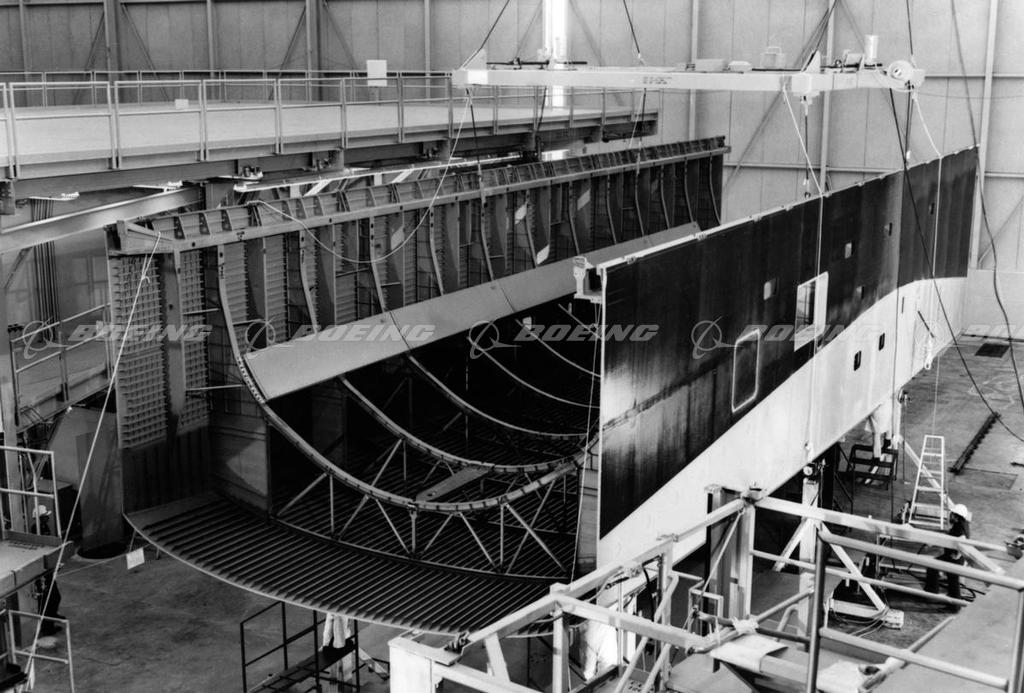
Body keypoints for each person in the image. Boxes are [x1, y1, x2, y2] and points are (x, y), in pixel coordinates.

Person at [925, 504, 971, 605]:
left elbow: (962, 540)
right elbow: (952, 536)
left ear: (956, 515)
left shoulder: (960, 527)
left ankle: (933, 595)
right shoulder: (962, 524)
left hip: (954, 559)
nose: (950, 515)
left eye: (952, 514)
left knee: (951, 581)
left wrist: (957, 555)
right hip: (952, 557)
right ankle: (937, 597)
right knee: (951, 581)